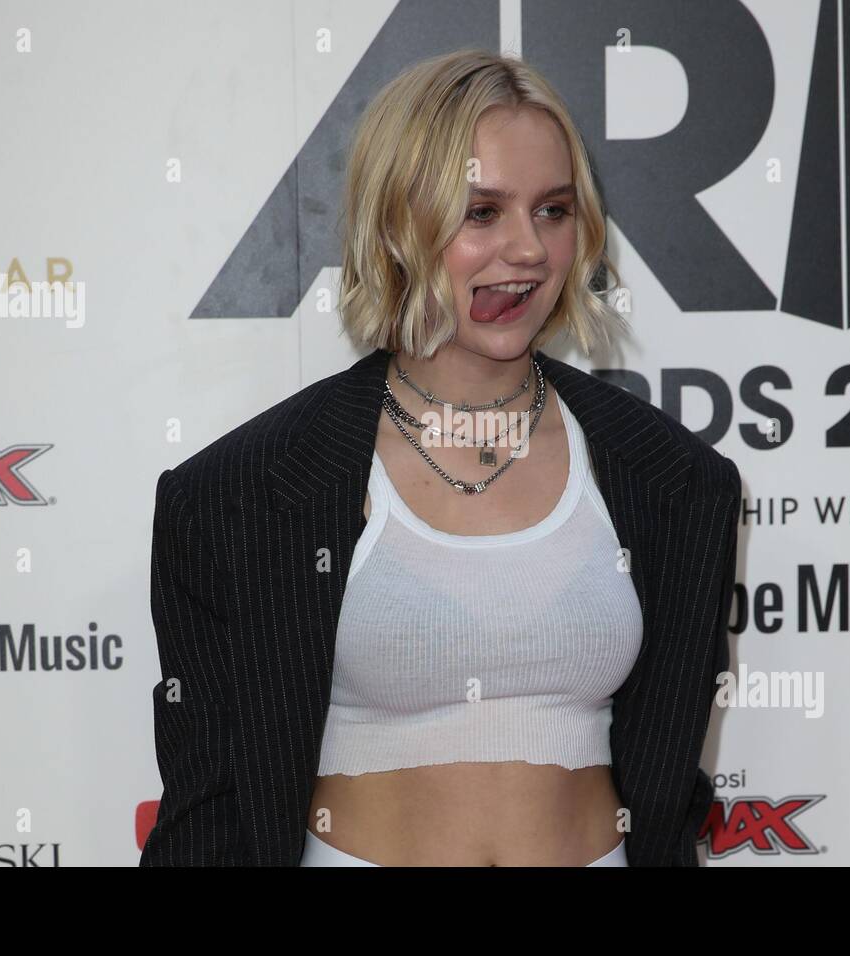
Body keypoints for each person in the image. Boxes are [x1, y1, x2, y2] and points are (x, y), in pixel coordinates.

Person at [141, 48, 741, 868]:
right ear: (397, 222)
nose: (529, 249)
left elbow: (669, 784)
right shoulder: (237, 495)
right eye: (482, 211)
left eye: (554, 210)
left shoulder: (673, 480)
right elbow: (207, 815)